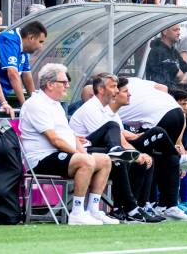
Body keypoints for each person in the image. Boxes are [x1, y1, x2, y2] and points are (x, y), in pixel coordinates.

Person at [19, 63, 120, 224]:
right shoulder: (36, 104)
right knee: (86, 161)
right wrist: (82, 156)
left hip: (58, 154)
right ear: (50, 84)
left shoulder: (56, 105)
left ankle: (94, 210)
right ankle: (77, 213)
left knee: (105, 160)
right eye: (64, 82)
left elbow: (70, 136)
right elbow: (55, 140)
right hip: (41, 159)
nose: (67, 85)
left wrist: (85, 154)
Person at [69, 74, 161, 223]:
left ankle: (135, 207)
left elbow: (120, 139)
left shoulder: (109, 111)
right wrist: (124, 151)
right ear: (100, 89)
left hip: (99, 150)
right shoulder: (91, 108)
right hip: (83, 151)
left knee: (142, 160)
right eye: (113, 87)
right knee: (118, 155)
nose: (117, 91)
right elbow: (105, 139)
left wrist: (138, 154)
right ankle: (128, 208)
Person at [116, 76, 187, 220]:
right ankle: (159, 205)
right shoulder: (111, 106)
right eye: (126, 91)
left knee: (155, 156)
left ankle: (156, 205)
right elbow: (163, 88)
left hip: (160, 117)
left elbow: (119, 133)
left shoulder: (114, 107)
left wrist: (136, 137)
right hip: (174, 113)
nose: (130, 94)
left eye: (128, 91)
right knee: (155, 155)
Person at [0, 20, 47, 107]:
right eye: (40, 42)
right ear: (31, 38)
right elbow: (13, 74)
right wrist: (25, 106)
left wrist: (34, 103)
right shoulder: (10, 40)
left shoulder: (24, 49)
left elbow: (27, 76)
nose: (41, 46)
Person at [144, 24, 187, 91]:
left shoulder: (174, 51)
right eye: (175, 30)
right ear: (164, 32)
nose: (179, 33)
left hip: (173, 92)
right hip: (161, 94)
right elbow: (178, 76)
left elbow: (186, 69)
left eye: (179, 30)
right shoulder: (157, 51)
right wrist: (181, 77)